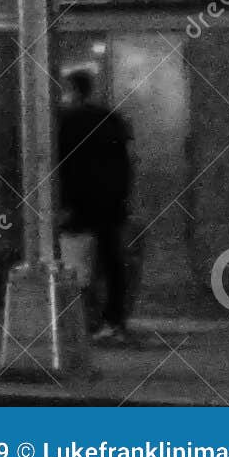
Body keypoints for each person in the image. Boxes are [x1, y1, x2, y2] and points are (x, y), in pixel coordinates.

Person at [57, 69, 135, 343]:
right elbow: (124, 163)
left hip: (79, 204)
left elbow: (62, 165)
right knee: (111, 262)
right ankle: (113, 320)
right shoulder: (109, 120)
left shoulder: (66, 122)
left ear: (72, 90)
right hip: (109, 203)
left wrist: (63, 203)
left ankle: (79, 319)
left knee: (75, 264)